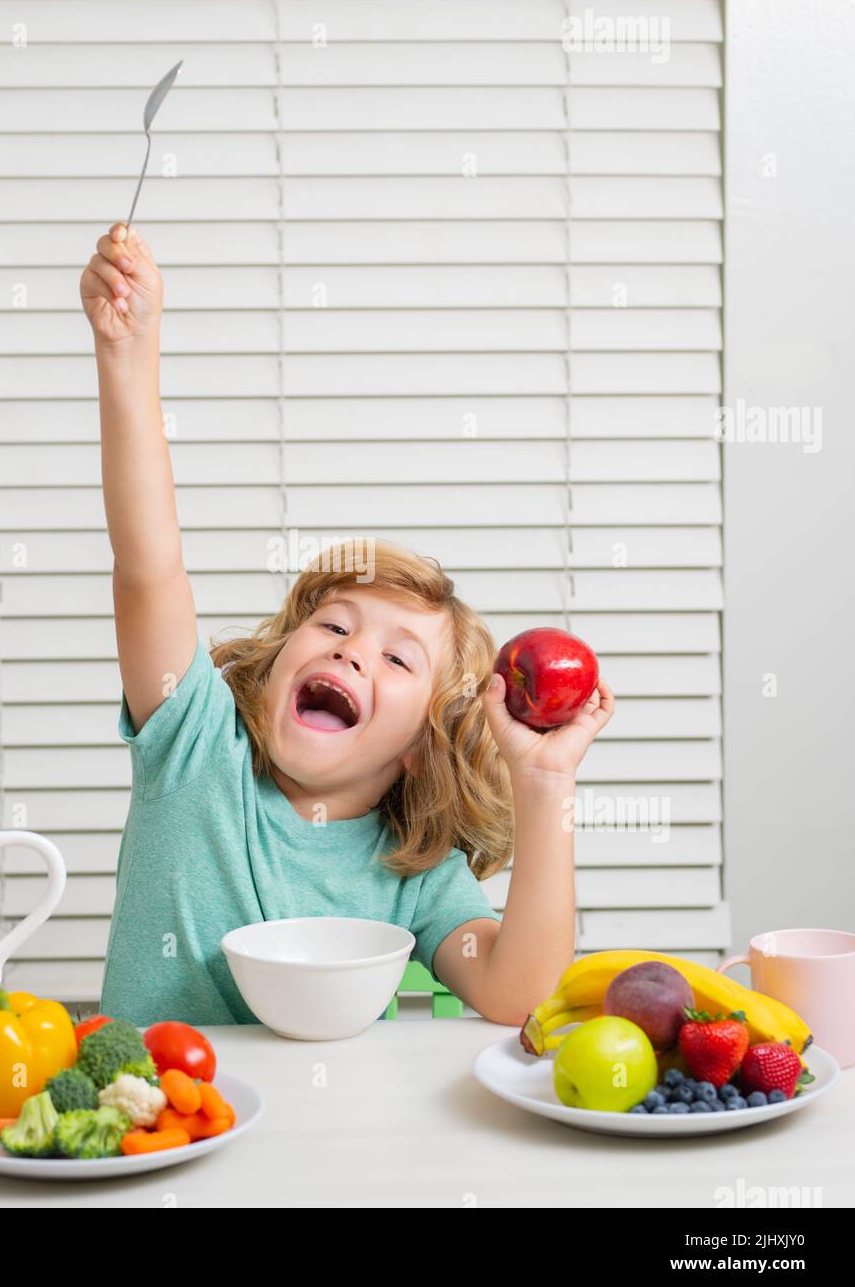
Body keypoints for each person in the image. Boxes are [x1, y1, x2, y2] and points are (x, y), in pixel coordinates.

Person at [80, 223, 614, 1026]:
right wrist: (129, 354)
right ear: (281, 659)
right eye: (334, 625)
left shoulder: (415, 872)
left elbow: (520, 996)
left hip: (323, 1140)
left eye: (398, 661)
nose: (353, 651)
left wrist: (544, 786)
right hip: (159, 1132)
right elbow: (149, 567)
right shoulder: (194, 748)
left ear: (420, 744)